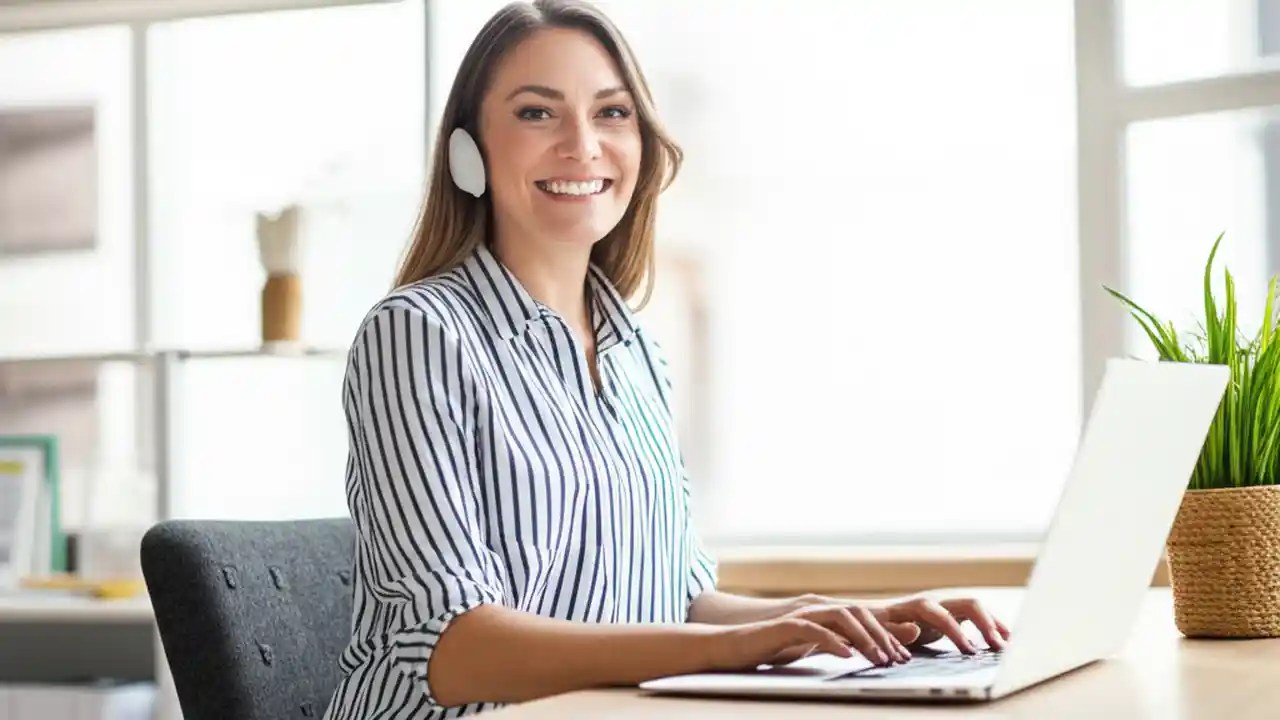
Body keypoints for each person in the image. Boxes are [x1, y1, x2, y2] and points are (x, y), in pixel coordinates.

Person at [323, 1, 1010, 718]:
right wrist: (730, 648)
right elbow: (454, 652)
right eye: (537, 113)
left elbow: (676, 597)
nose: (583, 144)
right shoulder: (419, 335)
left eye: (612, 113)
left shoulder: (635, 352)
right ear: (469, 150)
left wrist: (843, 619)